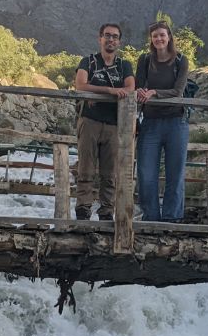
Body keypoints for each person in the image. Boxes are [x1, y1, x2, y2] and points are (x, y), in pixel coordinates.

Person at [74, 23, 134, 221]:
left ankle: (106, 211)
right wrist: (109, 91)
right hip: (89, 120)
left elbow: (129, 88)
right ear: (100, 39)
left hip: (113, 124)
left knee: (110, 171)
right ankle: (83, 209)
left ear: (119, 41)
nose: (111, 39)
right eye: (107, 35)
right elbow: (80, 85)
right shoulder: (88, 61)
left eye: (115, 36)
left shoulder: (124, 65)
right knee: (85, 167)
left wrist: (95, 90)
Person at [136, 20, 189, 222]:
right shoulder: (144, 60)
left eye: (162, 35)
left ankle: (171, 219)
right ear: (151, 39)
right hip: (150, 122)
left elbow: (178, 91)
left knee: (175, 174)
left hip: (176, 122)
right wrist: (140, 92)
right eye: (155, 35)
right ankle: (150, 217)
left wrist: (154, 92)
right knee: (146, 173)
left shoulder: (180, 60)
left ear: (169, 37)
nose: (159, 38)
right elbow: (139, 87)